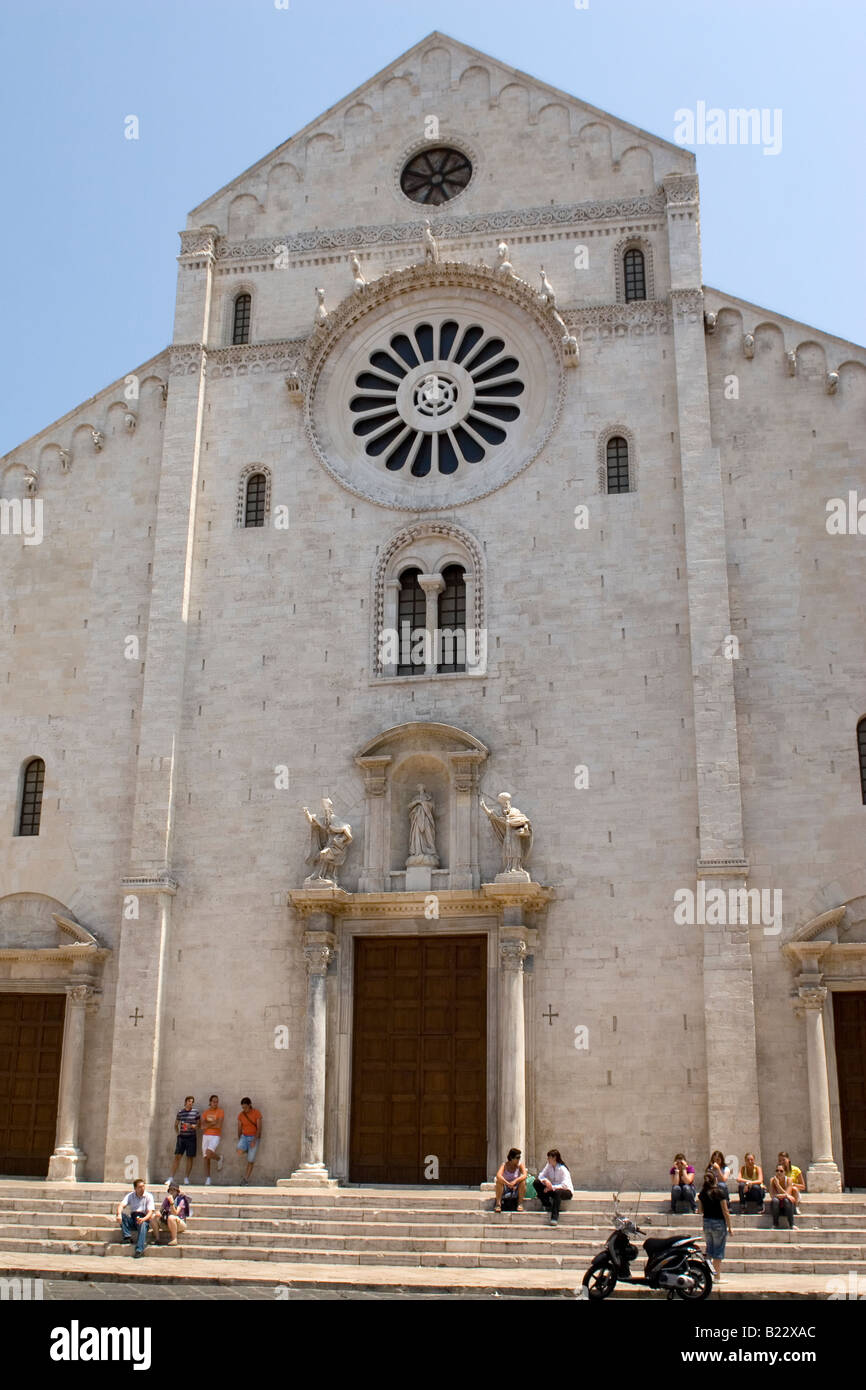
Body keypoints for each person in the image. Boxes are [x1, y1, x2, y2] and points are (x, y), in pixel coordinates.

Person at [697, 1168, 733, 1283]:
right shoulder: (719, 1192)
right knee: (718, 1251)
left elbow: (700, 1210)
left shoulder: (702, 1193)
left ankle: (705, 1275)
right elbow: (725, 1211)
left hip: (707, 1222)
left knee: (709, 1250)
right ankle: (717, 1277)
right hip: (718, 1223)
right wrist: (730, 1227)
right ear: (715, 1180)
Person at [115, 1178, 155, 1259]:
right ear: (135, 1188)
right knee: (122, 1215)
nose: (142, 1188)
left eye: (143, 1186)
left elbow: (150, 1212)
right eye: (140, 1187)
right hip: (133, 1218)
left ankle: (139, 1249)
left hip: (144, 1217)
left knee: (143, 1224)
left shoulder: (149, 1196)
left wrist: (143, 1219)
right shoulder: (130, 1195)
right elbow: (121, 1205)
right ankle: (127, 1236)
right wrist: (119, 1214)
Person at [167, 1095, 200, 1184]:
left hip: (191, 1137)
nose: (191, 1103)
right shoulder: (180, 1112)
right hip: (182, 1137)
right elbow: (176, 1124)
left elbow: (199, 1126)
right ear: (185, 1102)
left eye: (192, 1102)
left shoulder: (196, 1112)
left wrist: (192, 1126)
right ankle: (171, 1177)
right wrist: (178, 1133)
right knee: (177, 1156)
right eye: (189, 1101)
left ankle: (186, 1178)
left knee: (190, 1157)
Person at [536, 1148, 573, 1224]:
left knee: (557, 1192)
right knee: (536, 1183)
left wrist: (551, 1187)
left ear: (554, 1158)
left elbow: (565, 1185)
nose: (548, 1159)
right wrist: (545, 1181)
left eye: (549, 1157)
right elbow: (540, 1176)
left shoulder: (563, 1169)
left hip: (565, 1191)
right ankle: (547, 1204)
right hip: (553, 1189)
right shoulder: (549, 1166)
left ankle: (554, 1218)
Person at [150, 1182, 191, 1246]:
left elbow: (175, 1213)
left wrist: (172, 1203)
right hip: (168, 1223)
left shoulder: (181, 1200)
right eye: (170, 1190)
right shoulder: (166, 1200)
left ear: (177, 1192)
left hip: (179, 1224)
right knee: (153, 1217)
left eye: (174, 1190)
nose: (172, 1192)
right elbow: (160, 1210)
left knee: (171, 1217)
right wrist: (158, 1213)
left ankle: (174, 1239)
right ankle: (157, 1239)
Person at [237, 1097, 263, 1184]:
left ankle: (246, 1179)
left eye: (246, 1107)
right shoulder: (241, 1115)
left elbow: (259, 1128)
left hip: (253, 1137)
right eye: (243, 1108)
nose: (244, 1109)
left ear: (249, 1105)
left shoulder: (256, 1113)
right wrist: (239, 1138)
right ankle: (248, 1150)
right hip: (244, 1137)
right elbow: (239, 1128)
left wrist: (254, 1140)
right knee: (239, 1151)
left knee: (251, 1160)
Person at [494, 1148, 527, 1213]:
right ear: (511, 1158)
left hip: (515, 1188)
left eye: (519, 1157)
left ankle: (520, 1204)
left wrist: (515, 1181)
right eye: (517, 1157)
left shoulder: (520, 1165)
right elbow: (498, 1175)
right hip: (506, 1187)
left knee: (523, 1182)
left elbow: (524, 1175)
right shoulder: (504, 1165)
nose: (519, 1159)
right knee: (498, 1182)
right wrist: (507, 1183)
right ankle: (498, 1204)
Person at [201, 1094, 224, 1185]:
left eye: (217, 1101)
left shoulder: (220, 1111)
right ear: (210, 1102)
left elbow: (219, 1125)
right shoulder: (205, 1112)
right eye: (214, 1101)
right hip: (205, 1136)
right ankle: (208, 1179)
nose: (215, 1103)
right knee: (206, 1157)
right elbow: (202, 1126)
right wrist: (213, 1123)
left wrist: (208, 1123)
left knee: (209, 1153)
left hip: (215, 1136)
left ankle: (219, 1158)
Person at [770, 1163, 799, 1229]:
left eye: (781, 1171)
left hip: (788, 1206)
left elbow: (787, 1194)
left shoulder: (789, 1180)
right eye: (777, 1171)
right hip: (777, 1206)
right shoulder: (772, 1180)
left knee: (786, 1200)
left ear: (785, 1172)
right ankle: (775, 1224)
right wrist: (784, 1195)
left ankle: (791, 1224)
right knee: (775, 1201)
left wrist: (778, 1185)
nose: (779, 1172)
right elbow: (772, 1195)